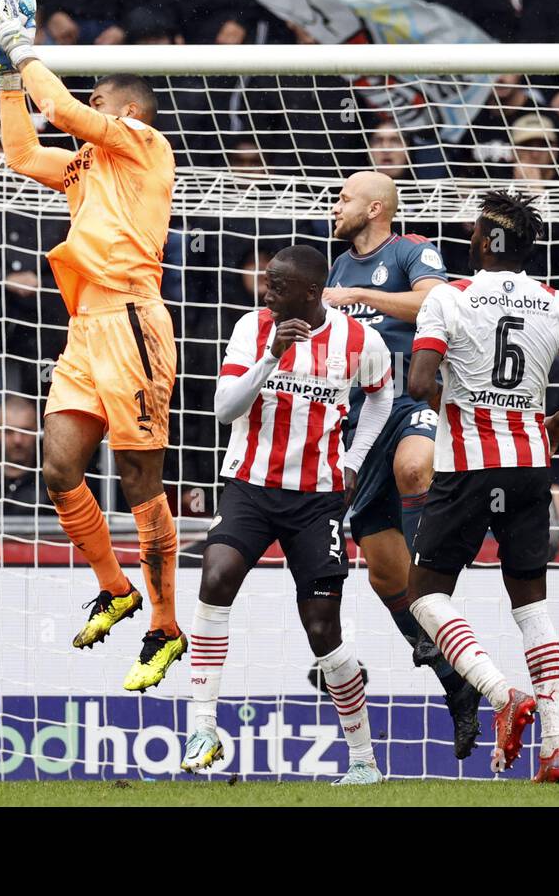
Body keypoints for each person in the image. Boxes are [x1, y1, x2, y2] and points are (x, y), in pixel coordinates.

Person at [0, 0, 184, 690]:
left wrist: (24, 47)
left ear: (126, 111)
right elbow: (22, 150)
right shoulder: (86, 168)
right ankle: (114, 586)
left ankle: (164, 626)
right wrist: (9, 74)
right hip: (85, 329)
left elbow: (62, 112)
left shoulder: (144, 146)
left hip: (132, 322)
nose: (82, 105)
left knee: (138, 483)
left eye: (98, 98)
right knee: (60, 468)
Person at [405, 191, 559, 783]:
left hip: (468, 465)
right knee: (532, 606)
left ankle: (500, 696)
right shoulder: (558, 303)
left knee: (425, 594)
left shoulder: (449, 296)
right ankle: (556, 748)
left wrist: (456, 407)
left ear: (480, 240)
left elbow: (419, 382)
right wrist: (556, 425)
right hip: (529, 466)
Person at [182, 245, 394, 784]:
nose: (266, 291)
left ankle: (364, 760)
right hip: (249, 487)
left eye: (277, 285)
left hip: (315, 499)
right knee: (216, 574)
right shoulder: (251, 328)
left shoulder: (358, 340)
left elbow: (381, 398)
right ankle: (203, 725)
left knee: (323, 629)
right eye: (266, 284)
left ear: (309, 292)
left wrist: (352, 460)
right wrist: (270, 357)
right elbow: (224, 407)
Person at [322, 171, 481, 759]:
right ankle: (454, 681)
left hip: (409, 400)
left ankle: (438, 579)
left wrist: (359, 299)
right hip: (354, 421)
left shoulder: (413, 251)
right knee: (386, 577)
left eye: (343, 198)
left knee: (417, 468)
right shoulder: (337, 266)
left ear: (374, 208)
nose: (334, 206)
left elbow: (436, 302)